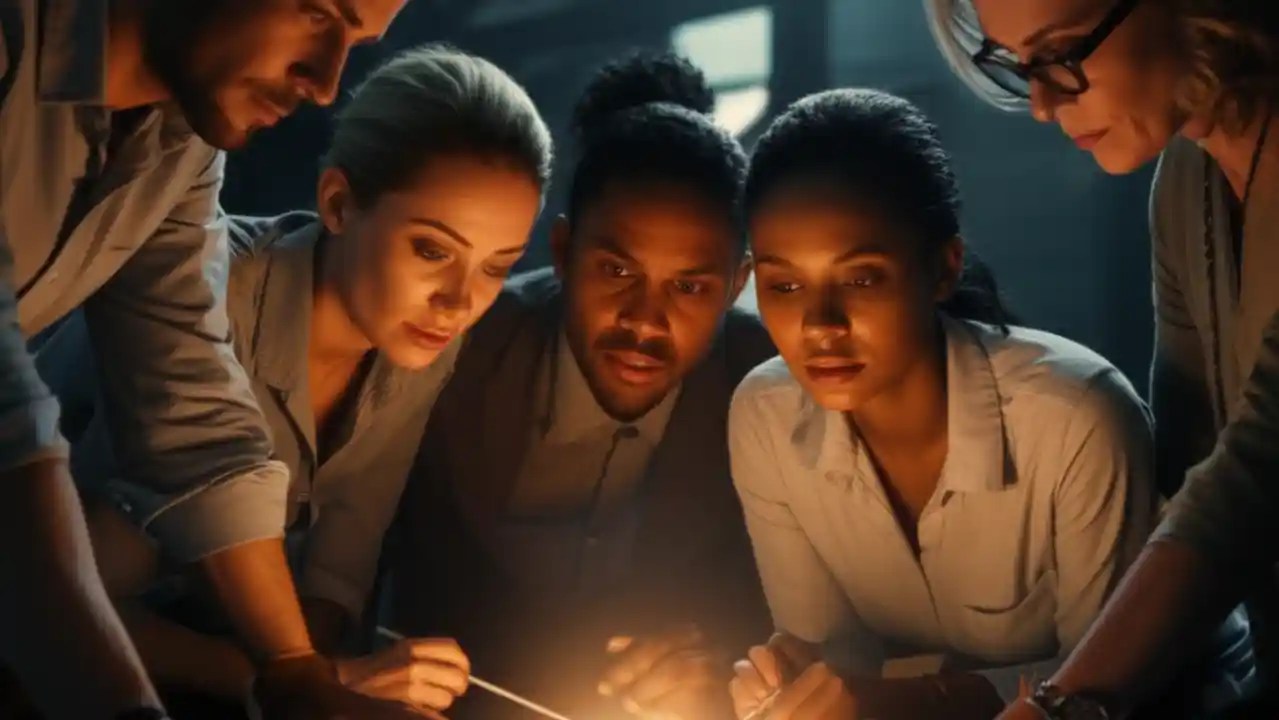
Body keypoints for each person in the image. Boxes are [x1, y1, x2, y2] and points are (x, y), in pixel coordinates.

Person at [37, 44, 552, 718]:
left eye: (495, 267)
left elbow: (342, 559)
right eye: (432, 250)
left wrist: (337, 678)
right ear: (338, 203)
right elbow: (66, 598)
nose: (460, 301)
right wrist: (314, 680)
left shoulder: (419, 340)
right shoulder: (201, 304)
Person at [0, 1, 423, 718]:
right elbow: (10, 426)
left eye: (356, 41)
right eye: (319, 13)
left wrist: (295, 672)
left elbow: (191, 403)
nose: (325, 82)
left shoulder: (179, 149)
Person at [724, 88, 1158, 720]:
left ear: (943, 268)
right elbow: (833, 661)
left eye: (861, 278)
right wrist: (791, 686)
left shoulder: (1074, 418)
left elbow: (1106, 684)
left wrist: (911, 700)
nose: (819, 325)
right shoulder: (766, 416)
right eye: (785, 285)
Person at [388, 51, 775, 720]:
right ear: (564, 253)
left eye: (689, 287)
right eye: (617, 272)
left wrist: (721, 669)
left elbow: (780, 612)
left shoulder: (763, 392)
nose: (645, 320)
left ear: (737, 284)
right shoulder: (459, 349)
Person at [925, 0, 1279, 716]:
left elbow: (1253, 476)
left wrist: (1060, 704)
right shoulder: (1186, 178)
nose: (1042, 104)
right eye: (1019, 65)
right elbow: (1187, 464)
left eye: (1061, 52)